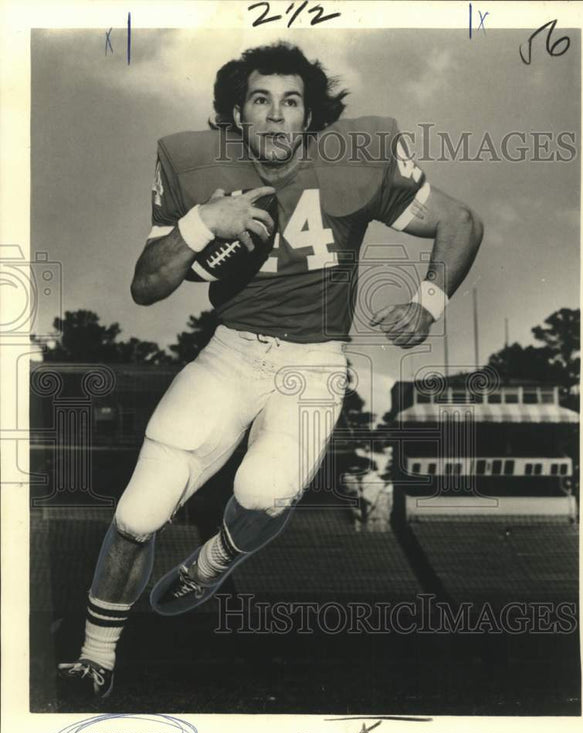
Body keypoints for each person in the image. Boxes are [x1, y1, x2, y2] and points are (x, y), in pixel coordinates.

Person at [58, 42, 483, 699]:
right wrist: (203, 222)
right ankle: (96, 655)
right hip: (230, 352)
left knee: (262, 493)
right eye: (261, 100)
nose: (277, 115)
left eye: (291, 102)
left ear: (310, 117)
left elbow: (460, 220)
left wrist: (428, 302)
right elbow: (146, 286)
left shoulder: (353, 160)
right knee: (138, 513)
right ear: (238, 113)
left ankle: (216, 559)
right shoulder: (196, 166)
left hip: (313, 362)